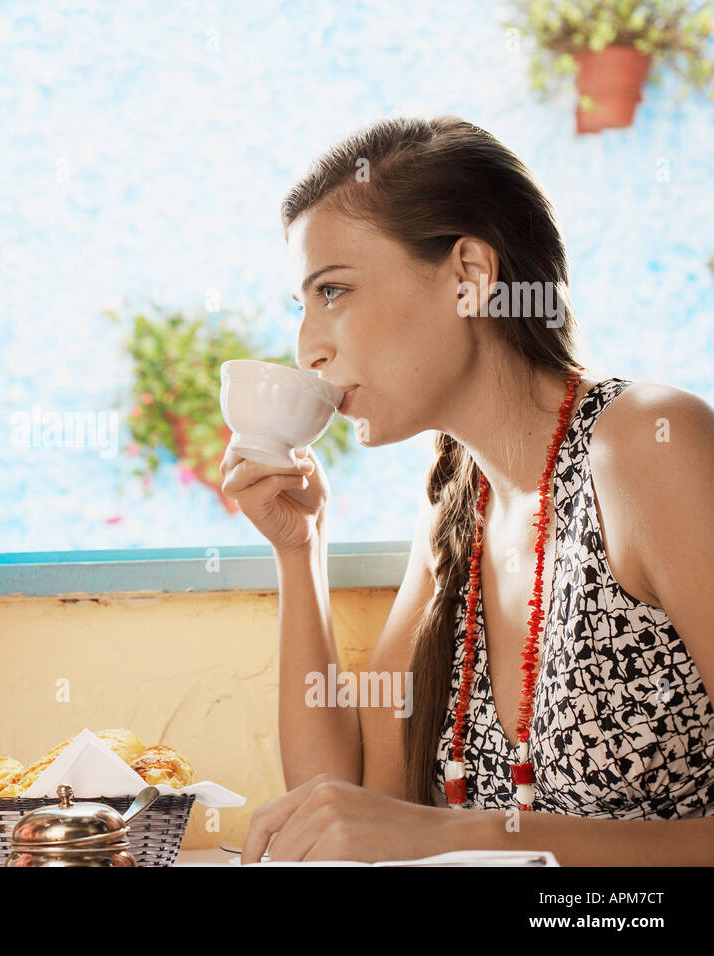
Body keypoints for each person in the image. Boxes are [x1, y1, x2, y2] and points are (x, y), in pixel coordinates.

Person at [223, 115, 714, 865]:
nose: (308, 347)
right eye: (303, 304)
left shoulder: (650, 445)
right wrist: (301, 551)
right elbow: (344, 811)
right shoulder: (459, 504)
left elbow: (412, 831)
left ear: (470, 277)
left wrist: (471, 833)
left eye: (335, 291)